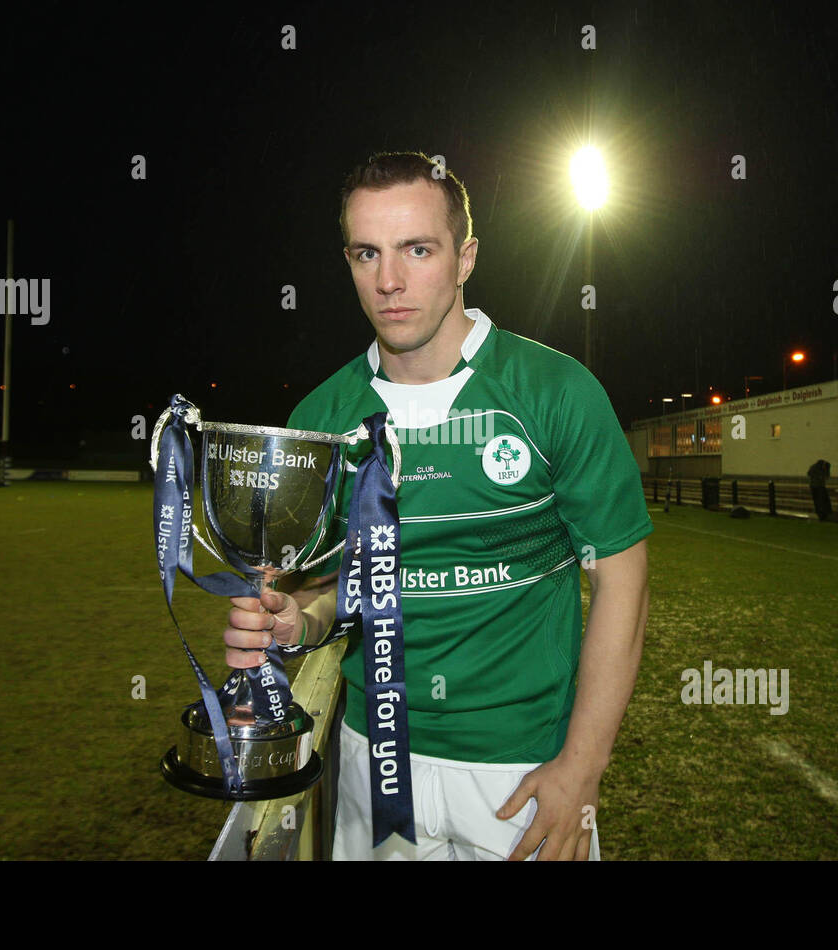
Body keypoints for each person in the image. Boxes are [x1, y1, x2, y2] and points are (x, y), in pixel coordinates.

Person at [225, 151, 652, 861]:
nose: (389, 281)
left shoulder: (556, 391)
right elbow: (336, 587)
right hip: (369, 760)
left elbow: (622, 581)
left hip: (521, 773)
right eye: (367, 253)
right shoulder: (320, 416)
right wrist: (296, 623)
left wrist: (583, 765)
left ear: (465, 258)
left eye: (417, 250)